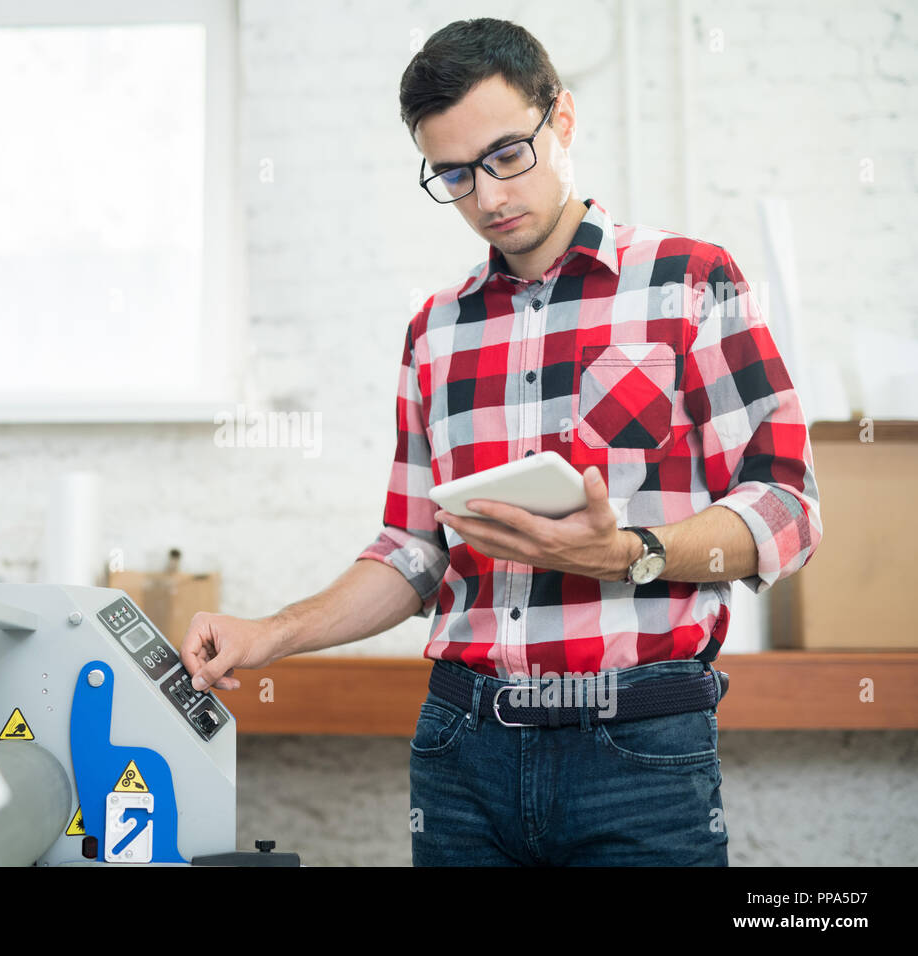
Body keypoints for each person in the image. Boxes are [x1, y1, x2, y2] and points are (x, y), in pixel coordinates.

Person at [179, 17, 822, 866]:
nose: (486, 196)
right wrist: (272, 633)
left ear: (561, 120)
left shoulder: (690, 282)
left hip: (637, 749)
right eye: (454, 173)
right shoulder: (434, 331)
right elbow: (414, 551)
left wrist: (629, 551)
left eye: (506, 155)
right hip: (461, 752)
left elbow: (787, 507)